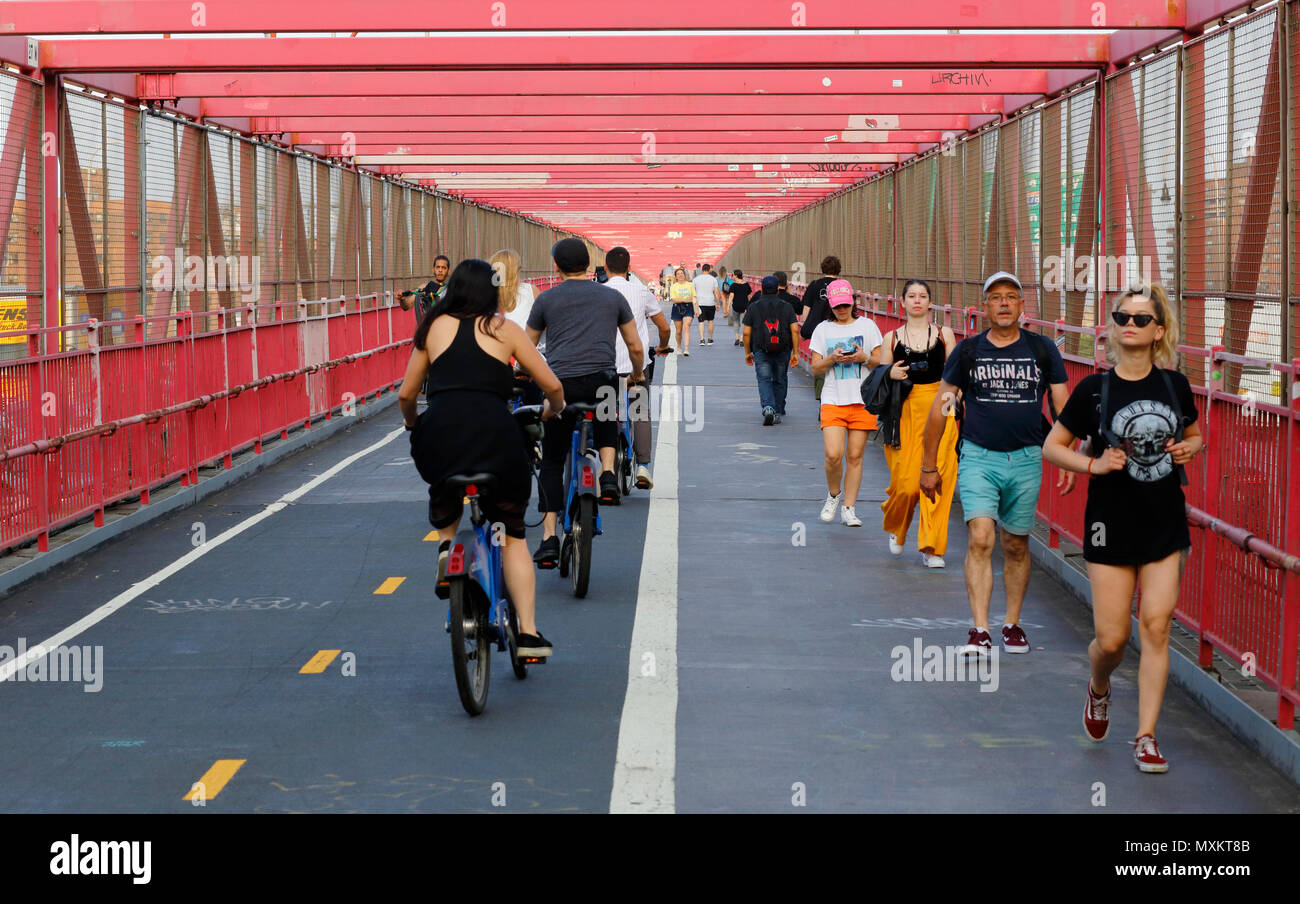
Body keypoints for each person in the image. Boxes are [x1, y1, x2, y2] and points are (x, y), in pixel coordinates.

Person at [1043, 283, 1202, 774]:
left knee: (1155, 626)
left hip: (1163, 523)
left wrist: (1190, 448)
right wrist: (1093, 466)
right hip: (1110, 525)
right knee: (1111, 641)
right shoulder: (1094, 389)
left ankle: (1147, 736)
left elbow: (1194, 434)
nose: (1128, 325)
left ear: (1158, 332)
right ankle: (1099, 687)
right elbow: (1053, 446)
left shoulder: (1175, 385)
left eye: (1139, 319)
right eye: (1121, 317)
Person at [399, 259, 564, 659]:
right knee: (512, 537)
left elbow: (406, 394)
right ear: (491, 292)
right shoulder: (503, 328)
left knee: (446, 485)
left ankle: (444, 550)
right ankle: (527, 634)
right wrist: (551, 409)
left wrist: (414, 424)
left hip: (441, 437)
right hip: (495, 438)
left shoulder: (432, 328)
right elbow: (551, 385)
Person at [920, 271, 1075, 657]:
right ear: (984, 307)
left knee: (1017, 543)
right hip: (978, 455)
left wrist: (1070, 454)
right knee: (981, 537)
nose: (1004, 303)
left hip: (1026, 458)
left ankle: (1012, 624)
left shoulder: (1042, 350)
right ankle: (979, 629)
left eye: (1011, 297)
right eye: (996, 297)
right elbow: (943, 406)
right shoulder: (968, 352)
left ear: (1022, 307)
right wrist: (928, 464)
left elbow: (1063, 407)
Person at [526, 238, 644, 565]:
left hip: (561, 386)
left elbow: (527, 346)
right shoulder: (612, 296)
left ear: (557, 267)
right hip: (602, 378)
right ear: (591, 267)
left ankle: (549, 538)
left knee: (552, 458)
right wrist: (636, 373)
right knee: (607, 412)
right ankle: (608, 473)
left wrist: (527, 373)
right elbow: (634, 346)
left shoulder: (546, 299)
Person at [878, 279, 960, 568]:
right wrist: (891, 374)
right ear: (902, 302)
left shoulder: (944, 334)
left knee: (940, 479)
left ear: (929, 302)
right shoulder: (891, 338)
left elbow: (957, 375)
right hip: (904, 413)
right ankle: (897, 526)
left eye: (923, 296)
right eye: (911, 296)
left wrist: (951, 406)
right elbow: (881, 375)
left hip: (941, 408)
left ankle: (932, 547)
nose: (917, 300)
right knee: (906, 485)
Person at [809, 279, 883, 528]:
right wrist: (832, 358)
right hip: (833, 397)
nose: (842, 309)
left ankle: (849, 508)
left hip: (862, 400)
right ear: (830, 305)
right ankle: (833, 495)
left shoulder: (868, 326)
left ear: (853, 302)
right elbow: (816, 366)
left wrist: (862, 357)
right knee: (833, 455)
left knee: (855, 456)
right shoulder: (823, 329)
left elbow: (879, 361)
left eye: (846, 304)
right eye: (838, 306)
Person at [605, 246, 671, 490]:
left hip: (607, 365)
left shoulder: (600, 292)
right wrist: (663, 346)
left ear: (606, 268)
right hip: (637, 365)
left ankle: (608, 466)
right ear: (629, 268)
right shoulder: (641, 291)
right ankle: (643, 466)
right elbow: (664, 327)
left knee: (606, 412)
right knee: (641, 411)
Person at [742, 275, 800, 425]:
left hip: (761, 349)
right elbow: (794, 330)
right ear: (778, 290)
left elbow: (746, 332)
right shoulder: (786, 306)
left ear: (761, 289)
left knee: (764, 379)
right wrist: (795, 352)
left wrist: (748, 352)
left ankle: (768, 407)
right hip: (783, 349)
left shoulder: (754, 306)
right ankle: (778, 410)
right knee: (780, 379)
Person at [800, 256, 843, 406]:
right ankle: (837, 397)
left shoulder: (814, 285)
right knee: (838, 361)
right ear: (838, 269)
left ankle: (822, 397)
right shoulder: (841, 286)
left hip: (818, 331)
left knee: (819, 362)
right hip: (838, 329)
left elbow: (806, 308)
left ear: (822, 268)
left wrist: (805, 326)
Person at [666, 267, 697, 356]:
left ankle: (686, 349)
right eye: (678, 274)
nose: (680, 275)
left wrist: (696, 309)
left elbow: (694, 297)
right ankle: (679, 347)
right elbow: (673, 299)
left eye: (681, 273)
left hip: (689, 307)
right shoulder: (673, 286)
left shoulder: (690, 285)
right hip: (677, 308)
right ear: (675, 276)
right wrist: (684, 300)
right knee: (678, 330)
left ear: (684, 275)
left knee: (686, 326)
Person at [693, 264, 723, 346]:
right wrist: (718, 303)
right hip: (710, 302)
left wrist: (694, 304)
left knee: (701, 322)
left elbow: (693, 293)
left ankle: (702, 340)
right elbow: (716, 292)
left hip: (700, 303)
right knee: (710, 321)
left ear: (702, 270)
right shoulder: (713, 279)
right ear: (709, 270)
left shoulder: (696, 279)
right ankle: (710, 339)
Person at [726, 269, 752, 346]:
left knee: (736, 322)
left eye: (732, 275)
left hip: (735, 307)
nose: (732, 277)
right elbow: (749, 297)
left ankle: (736, 338)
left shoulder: (733, 285)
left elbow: (731, 296)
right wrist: (749, 306)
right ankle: (741, 339)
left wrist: (728, 306)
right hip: (744, 307)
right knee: (743, 323)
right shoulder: (746, 285)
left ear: (736, 276)